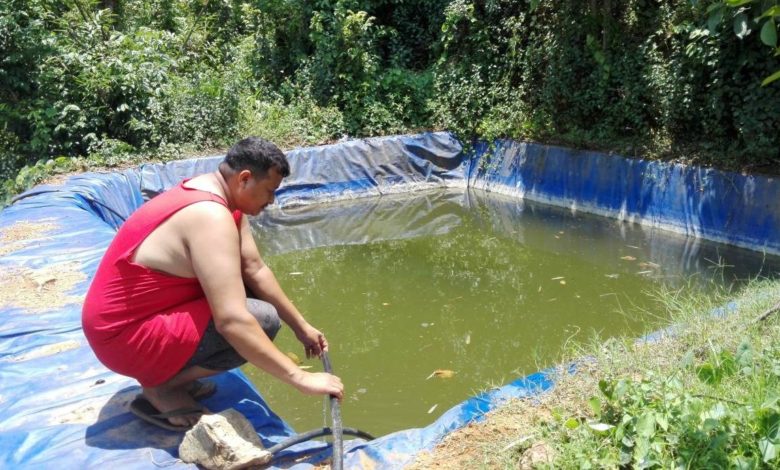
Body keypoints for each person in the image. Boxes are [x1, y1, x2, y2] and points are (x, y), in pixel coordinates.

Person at [82, 137, 343, 431]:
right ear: (244, 179)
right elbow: (231, 320)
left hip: (136, 323)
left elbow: (254, 268)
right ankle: (162, 386)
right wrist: (299, 377)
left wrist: (301, 326)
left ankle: (169, 376)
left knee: (249, 294)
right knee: (261, 320)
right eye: (270, 191)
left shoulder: (221, 198)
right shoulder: (210, 215)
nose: (272, 201)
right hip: (122, 338)